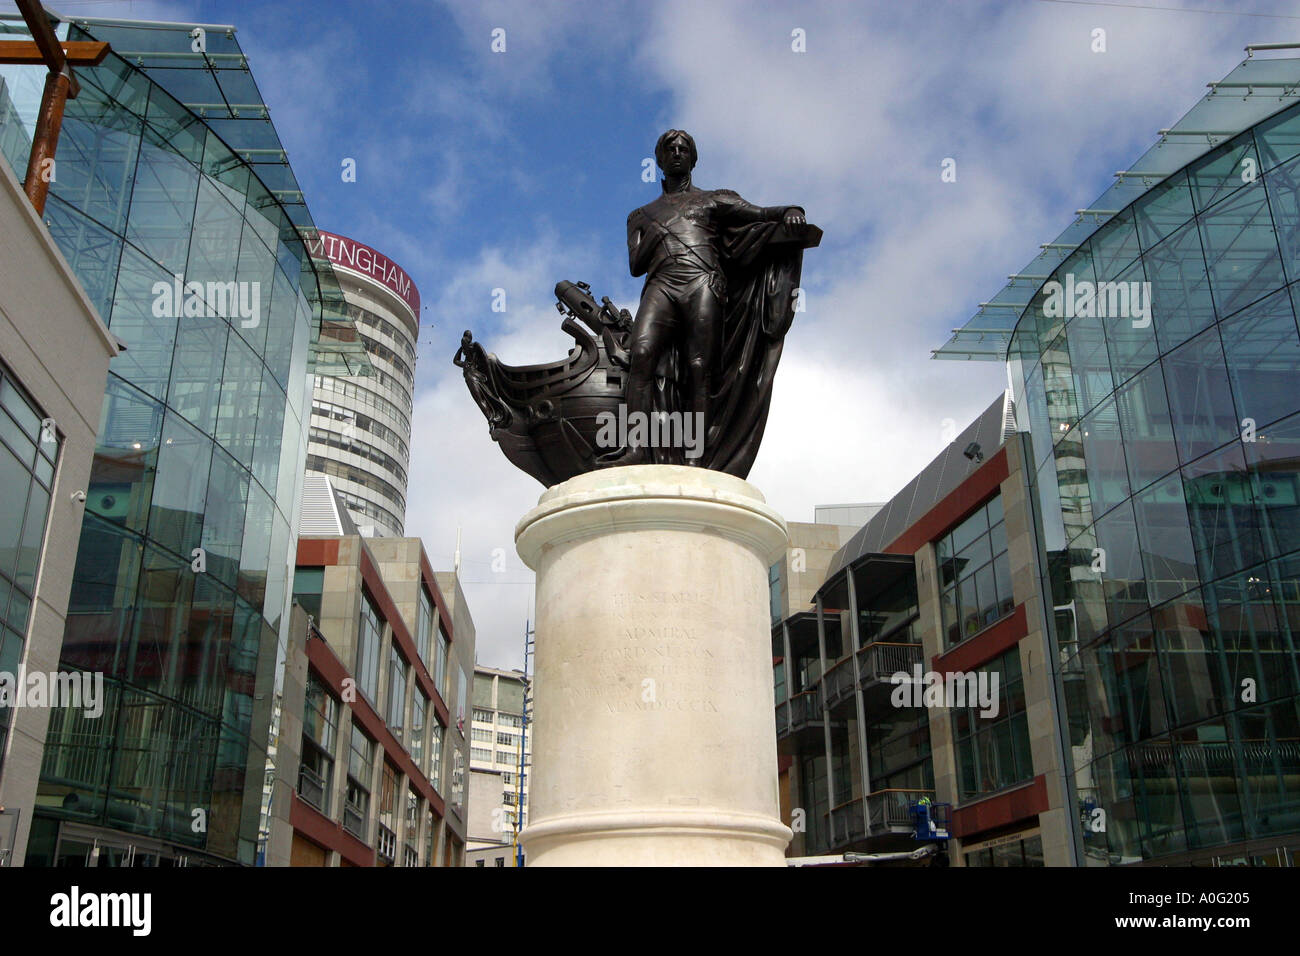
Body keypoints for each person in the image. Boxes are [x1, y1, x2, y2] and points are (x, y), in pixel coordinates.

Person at [607, 129, 805, 464]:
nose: (678, 152)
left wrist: (791, 210)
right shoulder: (639, 216)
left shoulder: (715, 199)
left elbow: (761, 214)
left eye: (685, 148)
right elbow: (636, 266)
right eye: (670, 148)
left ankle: (696, 455)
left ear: (694, 159)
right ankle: (636, 446)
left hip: (703, 283)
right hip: (662, 285)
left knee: (699, 366)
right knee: (641, 353)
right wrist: (659, 232)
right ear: (659, 159)